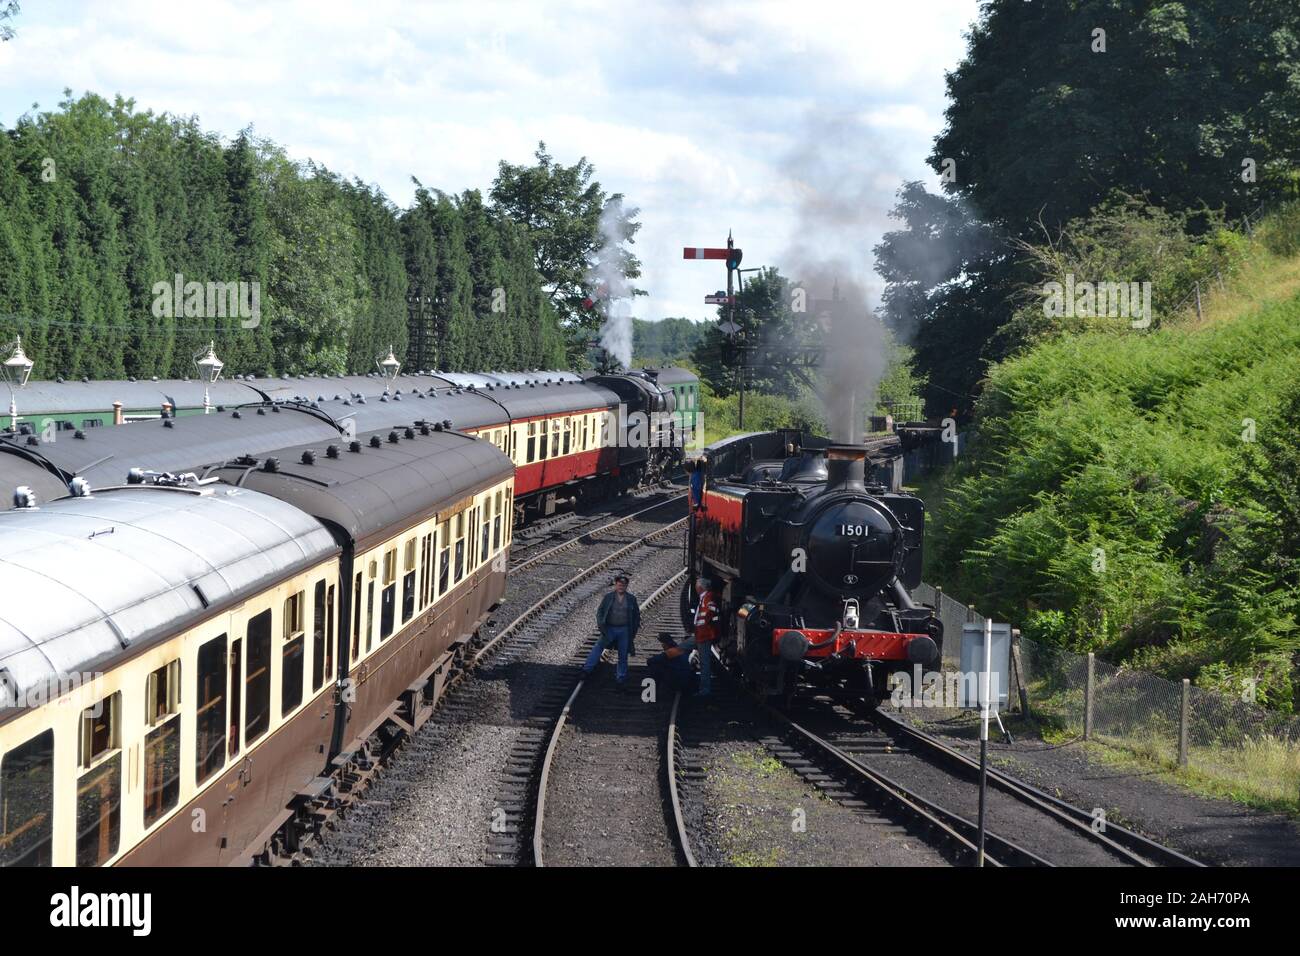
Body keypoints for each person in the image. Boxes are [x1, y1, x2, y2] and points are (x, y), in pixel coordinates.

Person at [583, 573, 641, 688]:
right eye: (619, 585)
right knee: (598, 647)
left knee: (623, 654)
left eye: (623, 585)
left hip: (624, 630)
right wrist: (601, 625)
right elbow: (600, 612)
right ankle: (586, 670)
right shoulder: (608, 597)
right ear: (616, 585)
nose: (621, 587)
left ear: (626, 586)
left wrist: (633, 631)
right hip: (610, 628)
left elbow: (636, 616)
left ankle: (621, 677)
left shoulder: (631, 599)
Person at [683, 576, 719, 697]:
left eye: (696, 586)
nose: (695, 588)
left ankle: (705, 690)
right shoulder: (703, 598)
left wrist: (704, 626)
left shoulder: (708, 598)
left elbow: (711, 612)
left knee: (704, 663)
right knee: (682, 648)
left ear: (700, 587)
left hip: (704, 635)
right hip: (700, 634)